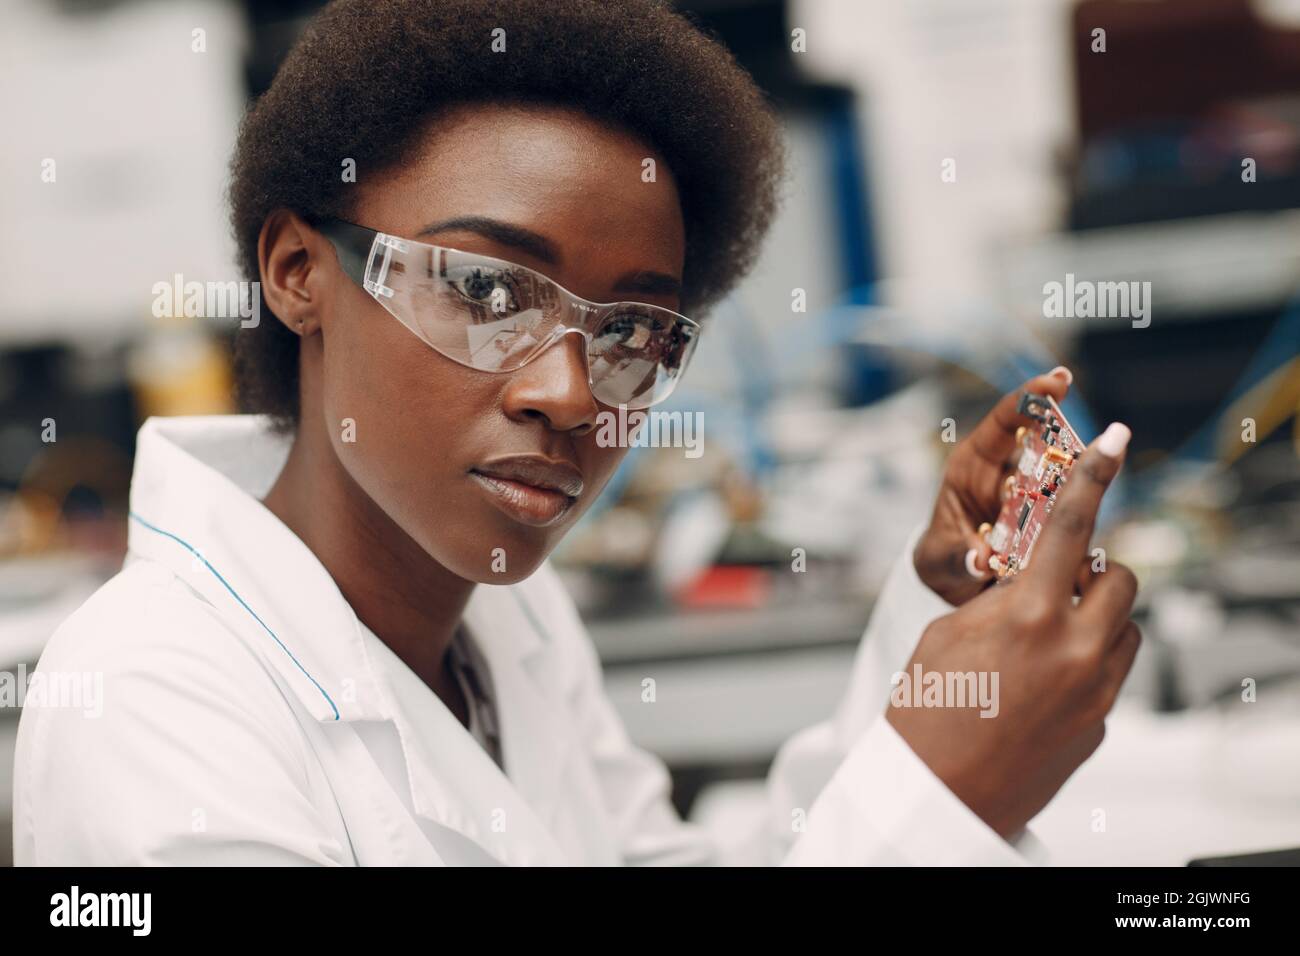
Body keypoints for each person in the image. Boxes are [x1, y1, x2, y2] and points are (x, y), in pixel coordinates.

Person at [12, 0, 1138, 865]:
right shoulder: (151, 701)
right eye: (491, 292)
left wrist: (944, 644)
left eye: (635, 330)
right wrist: (940, 806)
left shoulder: (505, 612)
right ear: (299, 271)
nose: (570, 393)